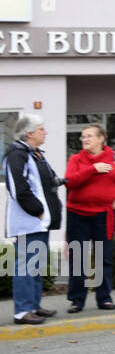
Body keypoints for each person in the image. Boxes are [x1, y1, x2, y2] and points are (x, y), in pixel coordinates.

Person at [64, 123, 115, 312]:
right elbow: (70, 182)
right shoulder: (76, 159)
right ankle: (77, 300)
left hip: (104, 215)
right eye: (83, 136)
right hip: (77, 215)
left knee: (103, 258)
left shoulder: (114, 158)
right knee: (78, 258)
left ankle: (104, 298)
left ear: (101, 138)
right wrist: (93, 168)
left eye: (89, 136)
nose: (85, 139)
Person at [4, 113, 63, 324]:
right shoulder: (16, 154)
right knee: (25, 266)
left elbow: (49, 180)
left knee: (35, 266)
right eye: (41, 129)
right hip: (28, 221)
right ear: (29, 133)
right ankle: (22, 312)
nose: (45, 132)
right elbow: (18, 188)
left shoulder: (35, 153)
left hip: (40, 222)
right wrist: (37, 209)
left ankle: (34, 306)